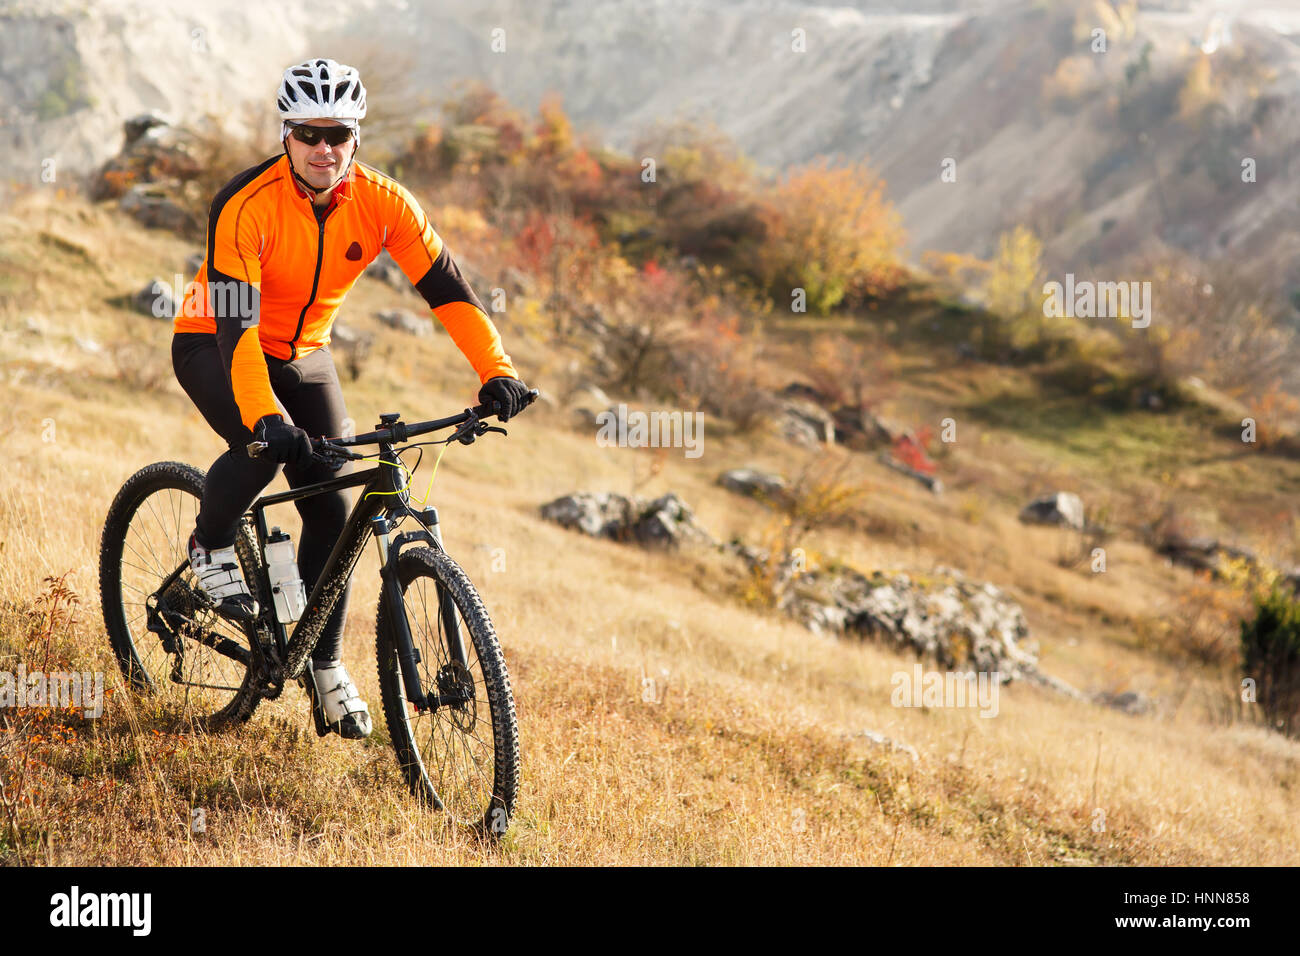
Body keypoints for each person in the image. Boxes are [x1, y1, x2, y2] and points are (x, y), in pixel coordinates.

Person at [170, 58, 531, 739]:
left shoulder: (384, 202)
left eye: (337, 133)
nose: (323, 148)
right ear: (287, 135)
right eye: (309, 133)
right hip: (213, 341)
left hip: (305, 354)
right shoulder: (244, 205)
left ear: (356, 137)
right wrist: (266, 418)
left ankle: (324, 667)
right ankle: (210, 544)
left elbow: (450, 292)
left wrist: (496, 370)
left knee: (333, 508)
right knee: (258, 450)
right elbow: (237, 329)